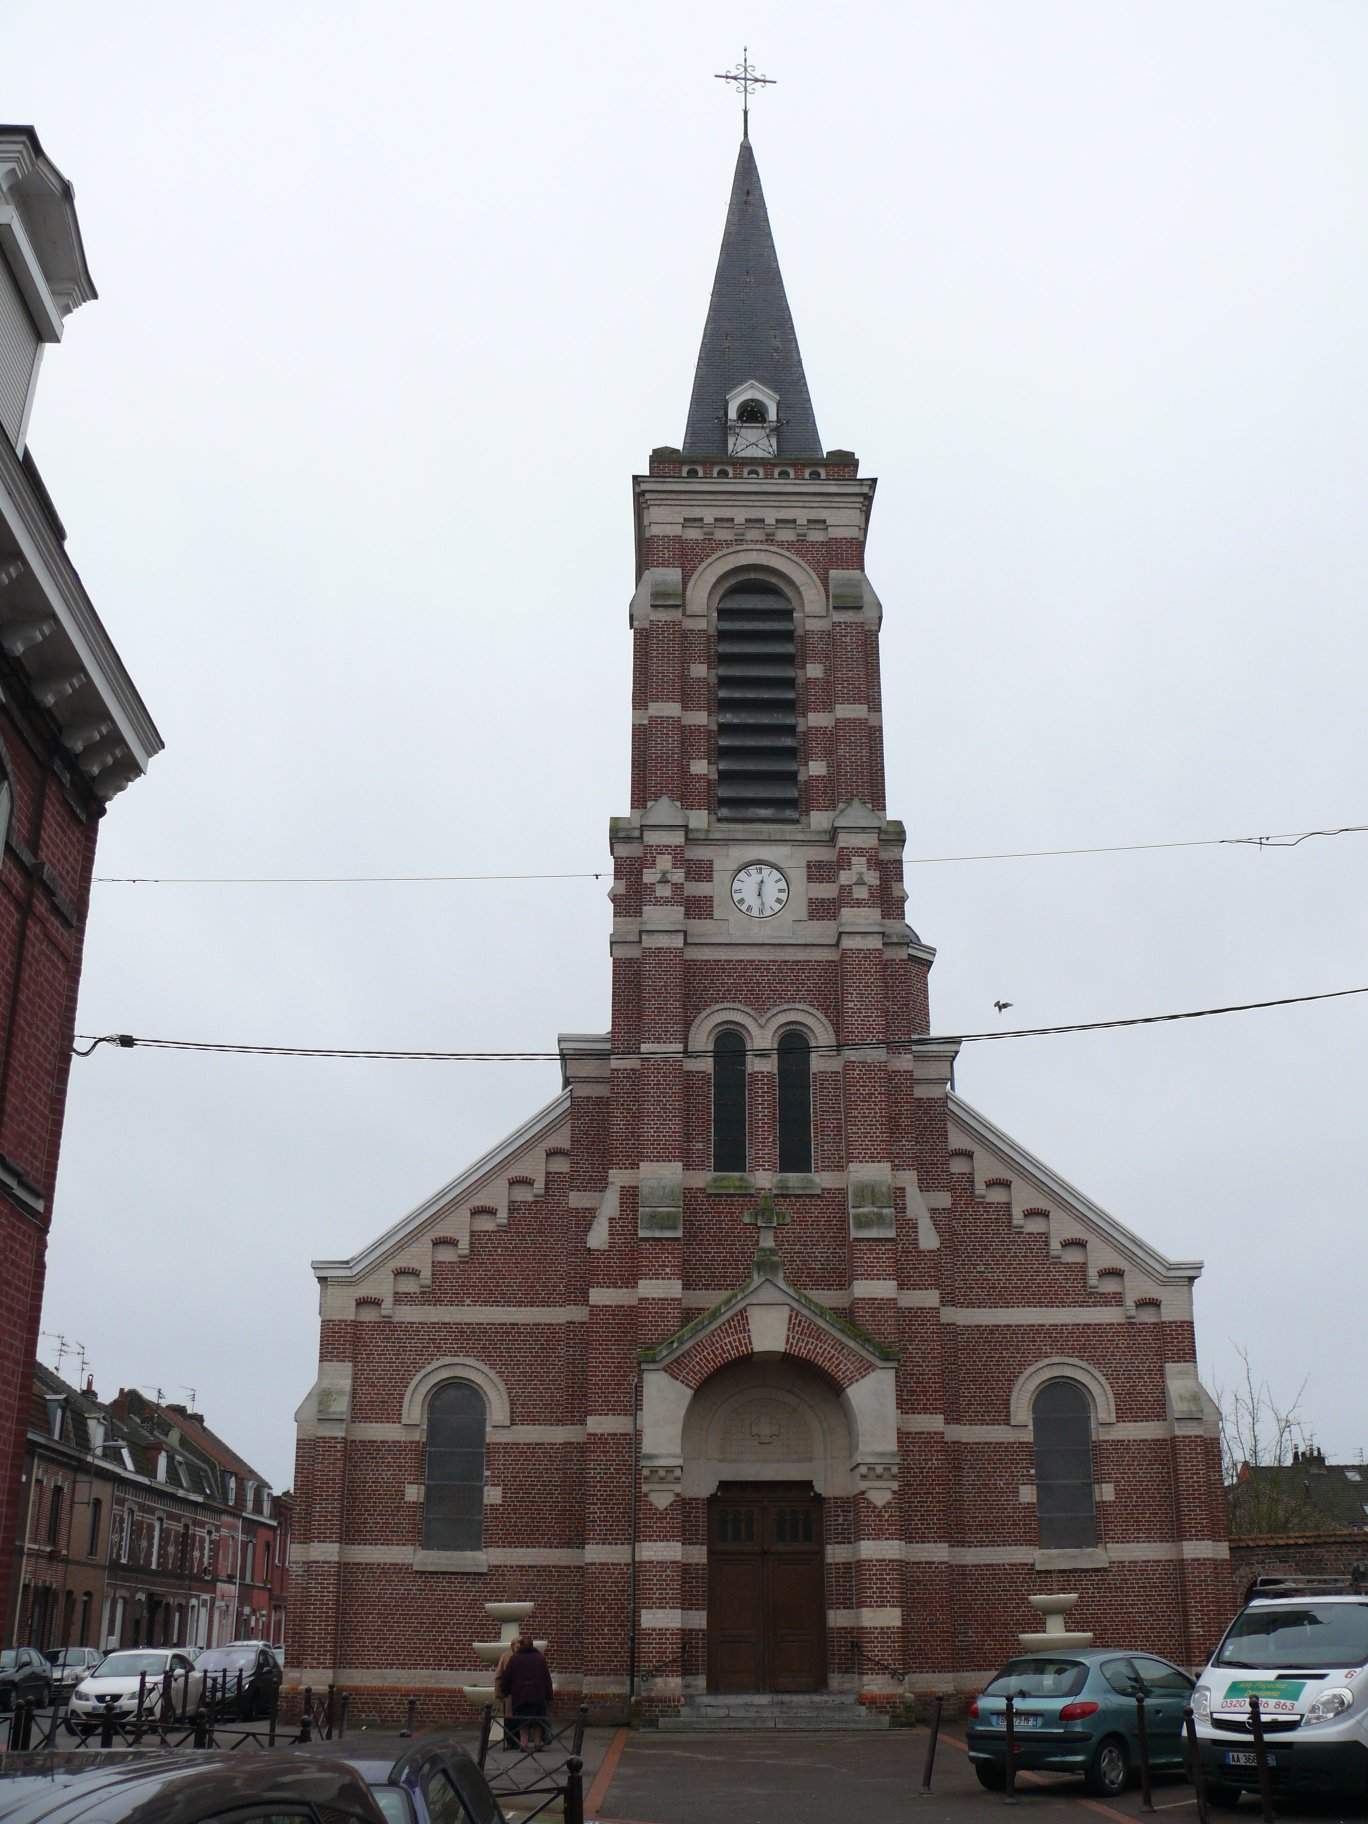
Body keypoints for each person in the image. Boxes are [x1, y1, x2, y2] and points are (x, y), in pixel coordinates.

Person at [500, 1623, 553, 1750]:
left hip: (520, 1695)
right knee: (537, 1721)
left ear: (521, 1646)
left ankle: (523, 1743)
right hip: (537, 1694)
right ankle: (537, 1742)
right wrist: (549, 1695)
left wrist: (505, 1691)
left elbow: (507, 1677)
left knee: (522, 1721)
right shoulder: (540, 1658)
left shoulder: (515, 1659)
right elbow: (547, 1678)